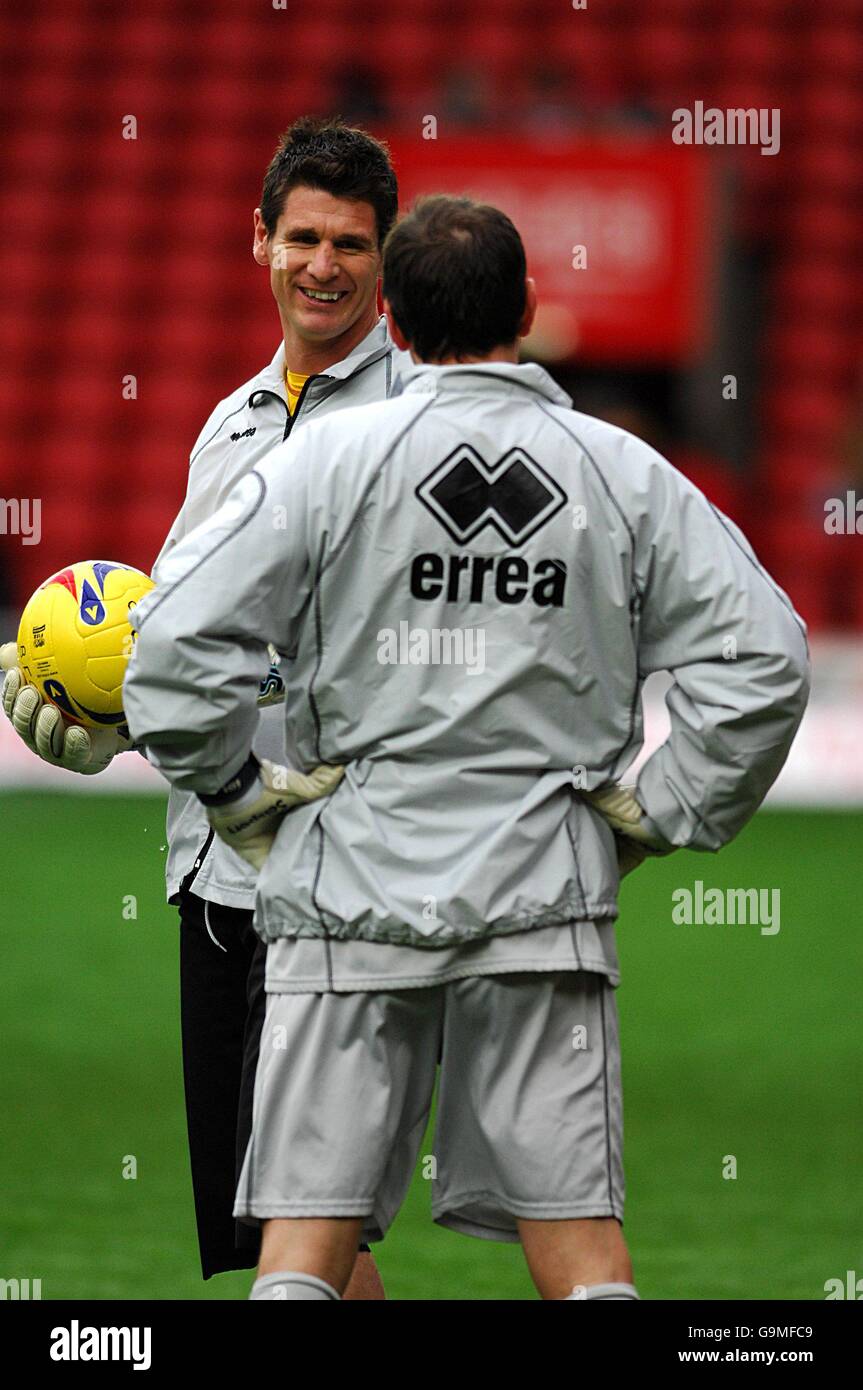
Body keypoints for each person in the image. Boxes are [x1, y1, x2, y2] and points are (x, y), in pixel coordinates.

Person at [125, 196, 811, 1300]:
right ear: (530, 309)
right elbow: (767, 661)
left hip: (345, 889)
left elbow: (170, 644)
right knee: (584, 1260)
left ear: (389, 312)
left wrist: (236, 790)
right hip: (544, 897)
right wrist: (660, 808)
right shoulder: (619, 471)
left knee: (301, 1252)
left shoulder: (324, 461)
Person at [1, 118, 408, 1298]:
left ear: (383, 262)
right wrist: (107, 713)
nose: (321, 265)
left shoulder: (411, 423)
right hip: (214, 870)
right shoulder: (227, 423)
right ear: (258, 242)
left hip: (332, 865)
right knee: (284, 1239)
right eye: (301, 237)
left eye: (349, 243)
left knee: (307, 1220)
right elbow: (176, 630)